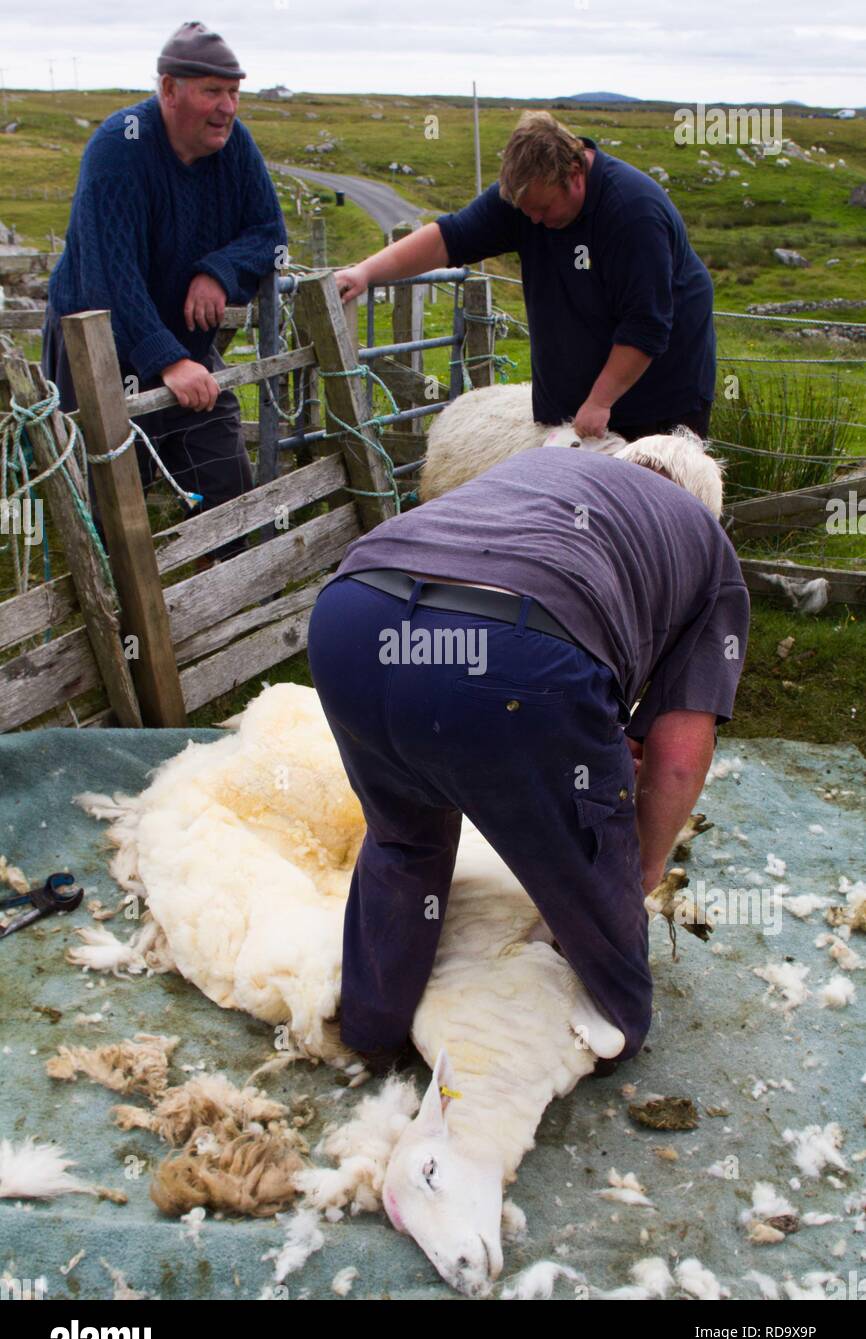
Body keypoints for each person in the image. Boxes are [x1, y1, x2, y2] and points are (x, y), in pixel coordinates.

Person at [307, 443, 749, 1075]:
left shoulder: (536, 469)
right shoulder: (706, 543)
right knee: (589, 868)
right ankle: (612, 1042)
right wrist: (637, 870)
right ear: (703, 505)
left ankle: (371, 1032)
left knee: (403, 839)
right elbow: (679, 755)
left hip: (354, 617)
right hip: (513, 651)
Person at [41, 20, 287, 560]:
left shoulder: (233, 145)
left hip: (185, 347)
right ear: (169, 90)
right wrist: (168, 360)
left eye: (233, 92)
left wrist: (217, 270)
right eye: (211, 92)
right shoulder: (119, 146)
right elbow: (109, 276)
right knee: (110, 503)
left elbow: (270, 235)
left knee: (223, 485)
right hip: (98, 348)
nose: (227, 107)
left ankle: (224, 604)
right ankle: (118, 624)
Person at [335, 110, 715, 443]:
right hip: (579, 407)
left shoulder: (633, 213)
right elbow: (450, 238)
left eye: (543, 208)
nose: (533, 220)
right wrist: (367, 271)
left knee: (654, 513)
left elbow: (646, 324)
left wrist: (600, 401)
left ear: (575, 173)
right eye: (525, 210)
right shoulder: (527, 198)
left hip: (661, 401)